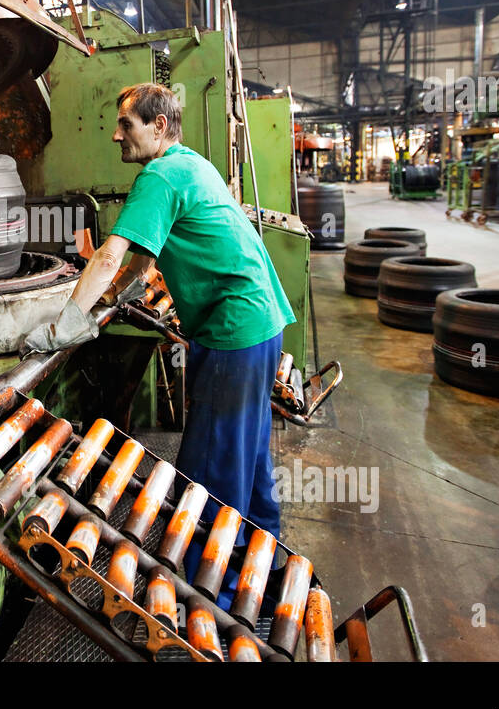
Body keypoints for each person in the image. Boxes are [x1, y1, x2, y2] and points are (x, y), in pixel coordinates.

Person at [23, 82, 295, 602]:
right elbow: (142, 263)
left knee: (210, 471)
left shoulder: (158, 176)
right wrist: (113, 301)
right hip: (262, 325)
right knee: (250, 456)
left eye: (126, 124)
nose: (115, 135)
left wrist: (68, 321)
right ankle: (266, 568)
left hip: (232, 331)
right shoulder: (191, 163)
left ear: (159, 126)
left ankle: (202, 597)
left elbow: (109, 254)